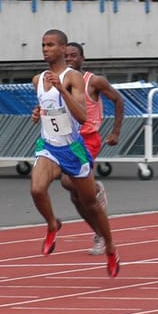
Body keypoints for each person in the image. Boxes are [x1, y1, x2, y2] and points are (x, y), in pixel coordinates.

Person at [30, 29, 119, 277]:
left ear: (62, 48)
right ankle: (52, 223)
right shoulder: (38, 80)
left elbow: (81, 116)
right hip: (48, 144)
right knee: (37, 189)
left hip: (74, 147)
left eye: (50, 45)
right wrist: (36, 114)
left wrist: (62, 90)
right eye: (43, 45)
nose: (45, 49)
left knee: (90, 203)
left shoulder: (73, 78)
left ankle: (110, 246)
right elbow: (45, 108)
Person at [62, 42, 124, 256]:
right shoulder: (58, 82)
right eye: (66, 56)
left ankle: (96, 188)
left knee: (68, 181)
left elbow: (118, 100)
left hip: (87, 139)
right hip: (66, 139)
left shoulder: (93, 81)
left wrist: (115, 132)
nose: (69, 59)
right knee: (75, 195)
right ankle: (99, 233)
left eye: (73, 56)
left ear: (82, 59)